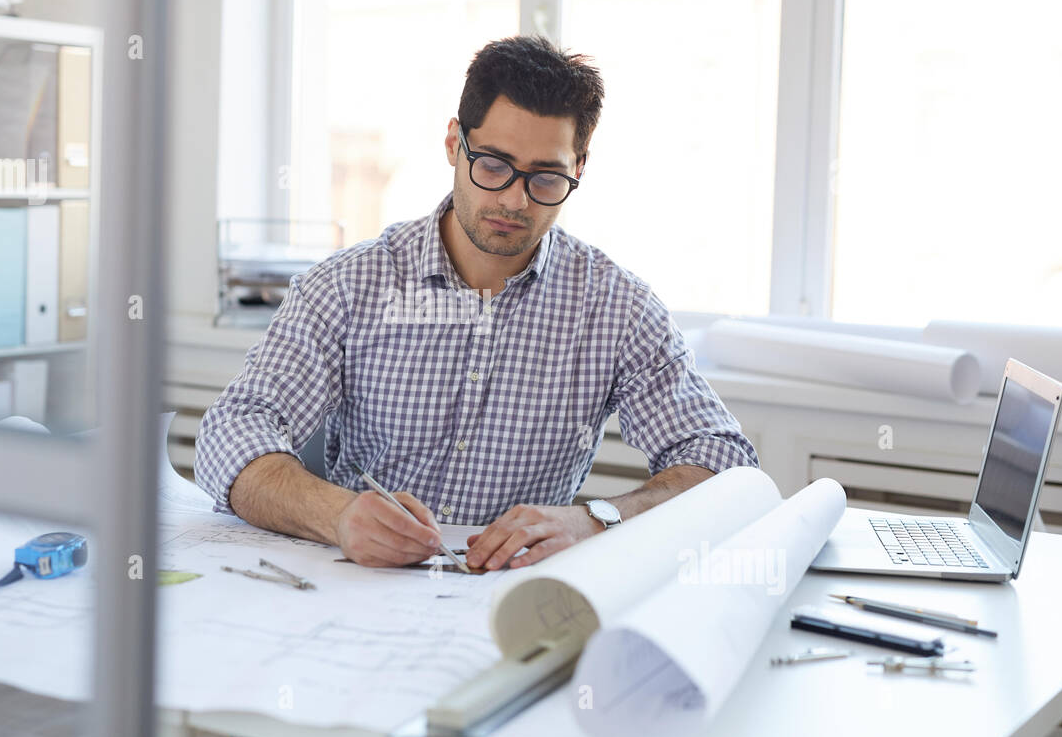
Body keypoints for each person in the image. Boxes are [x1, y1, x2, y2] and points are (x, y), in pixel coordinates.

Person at [195, 34, 758, 571]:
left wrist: (596, 518)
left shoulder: (617, 308)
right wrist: (337, 514)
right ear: (453, 144)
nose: (514, 201)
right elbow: (230, 433)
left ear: (580, 167)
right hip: (358, 579)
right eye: (493, 165)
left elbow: (726, 463)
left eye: (546, 178)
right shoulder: (348, 285)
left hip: (514, 593)